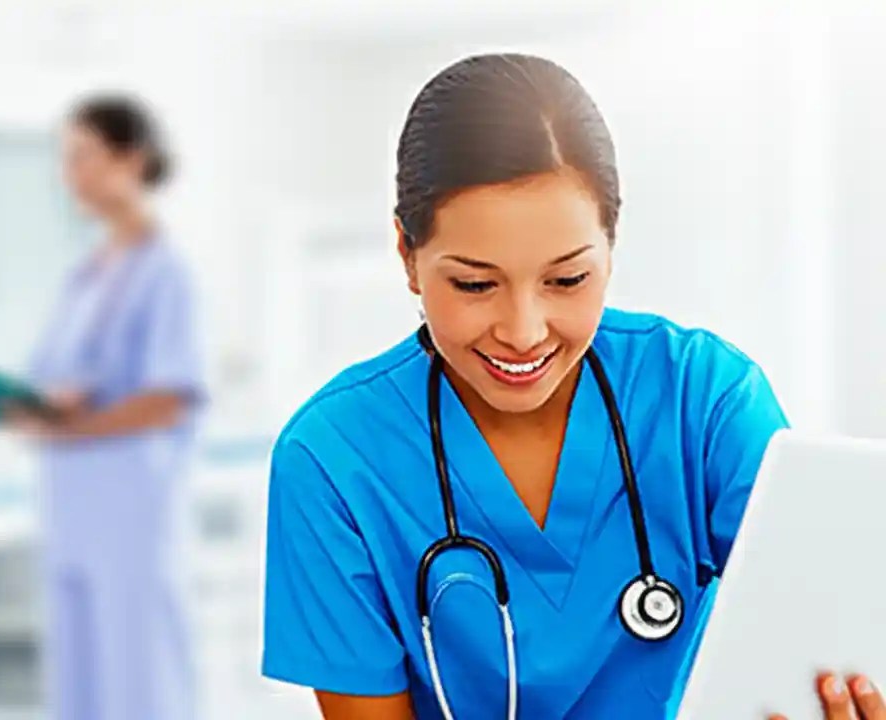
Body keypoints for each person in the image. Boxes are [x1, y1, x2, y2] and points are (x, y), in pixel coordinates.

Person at [259, 53, 882, 720]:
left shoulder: (702, 399)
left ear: (611, 247)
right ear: (407, 255)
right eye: (475, 284)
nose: (524, 332)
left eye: (567, 280)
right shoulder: (333, 459)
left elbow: (820, 632)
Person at [6, 96, 204, 720]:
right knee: (79, 678)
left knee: (135, 672)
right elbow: (51, 377)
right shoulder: (84, 275)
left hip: (128, 506)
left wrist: (77, 427)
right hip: (71, 504)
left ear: (131, 160)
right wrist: (31, 410)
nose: (72, 174)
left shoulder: (165, 272)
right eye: (68, 160)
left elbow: (168, 398)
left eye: (85, 157)